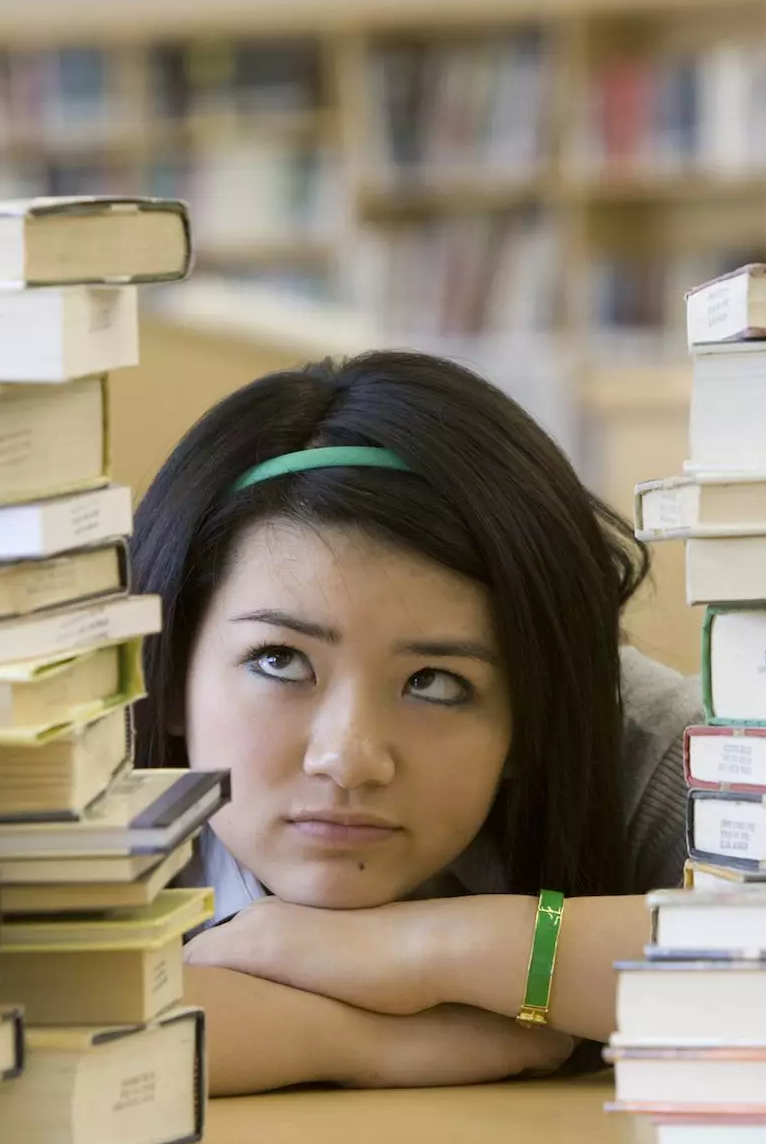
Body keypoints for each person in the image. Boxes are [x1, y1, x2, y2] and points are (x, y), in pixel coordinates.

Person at [130, 350, 701, 1095]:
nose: (350, 758)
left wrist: (430, 949)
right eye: (279, 661)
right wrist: (354, 1039)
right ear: (171, 671)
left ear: (534, 712)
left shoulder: (651, 748)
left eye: (434, 682)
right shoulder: (48, 748)